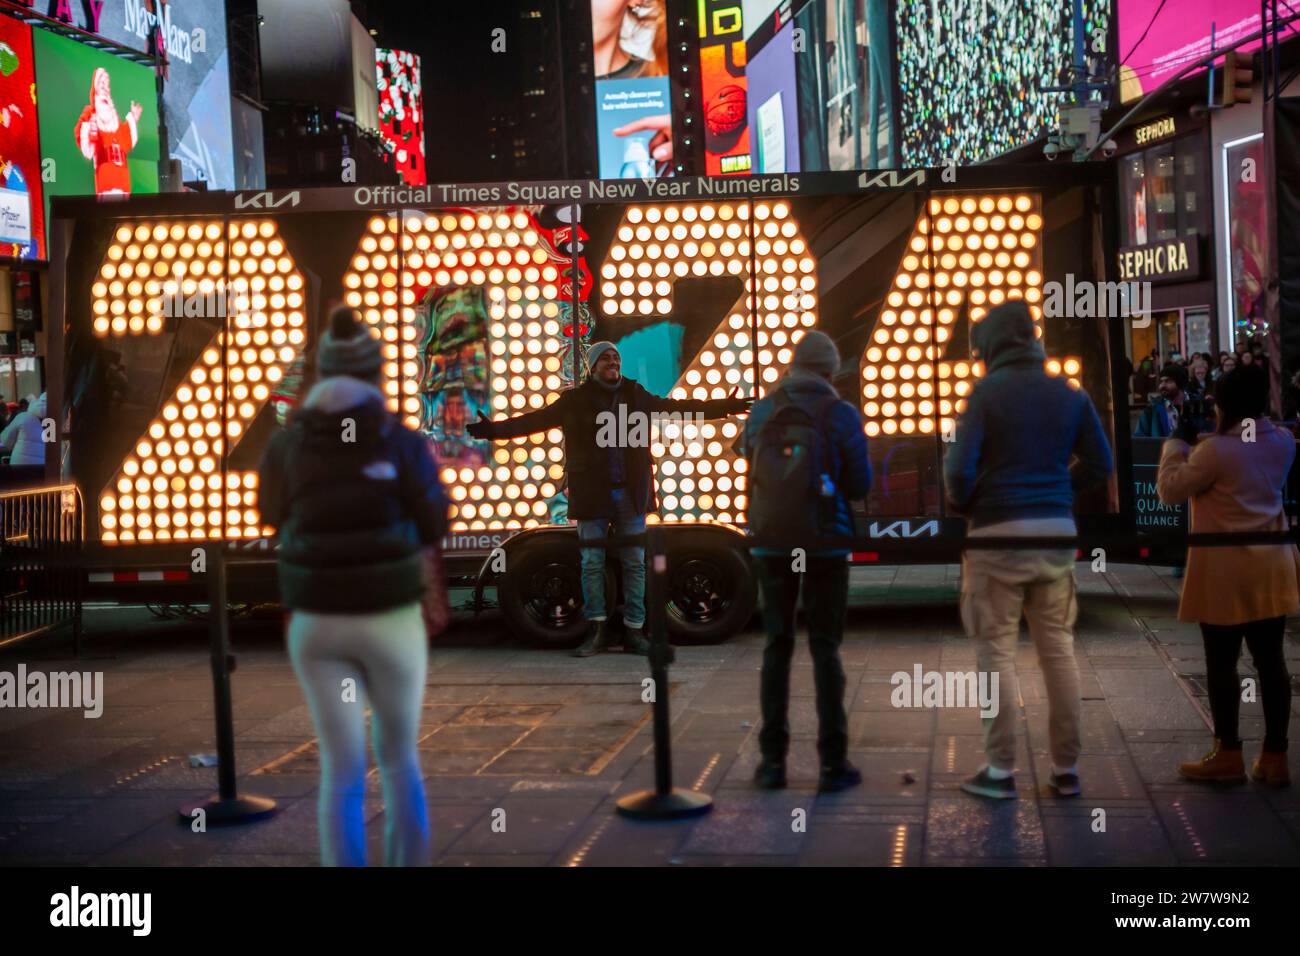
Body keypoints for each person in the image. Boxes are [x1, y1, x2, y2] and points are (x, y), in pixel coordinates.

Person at [257, 306, 449, 866]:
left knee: (340, 770)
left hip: (316, 622)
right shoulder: (399, 441)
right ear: (374, 376)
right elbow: (435, 521)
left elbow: (271, 511)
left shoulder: (288, 444)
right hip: (389, 618)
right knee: (397, 760)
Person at [467, 341, 748, 656]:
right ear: (593, 366)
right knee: (591, 563)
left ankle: (634, 632)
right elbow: (533, 421)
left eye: (615, 357)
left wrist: (723, 407)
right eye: (605, 358)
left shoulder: (635, 394)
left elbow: (678, 410)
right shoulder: (574, 401)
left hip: (631, 493)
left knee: (634, 564)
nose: (613, 361)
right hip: (592, 494)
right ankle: (597, 630)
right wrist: (492, 431)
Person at [943, 301, 1113, 799]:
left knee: (995, 649)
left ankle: (1000, 771)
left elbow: (958, 470)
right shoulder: (1069, 393)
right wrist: (1060, 490)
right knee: (1057, 649)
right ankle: (1066, 770)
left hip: (997, 535)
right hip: (1055, 533)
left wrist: (972, 503)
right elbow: (1100, 463)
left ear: (991, 347)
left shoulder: (985, 394)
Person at [743, 330, 872, 793]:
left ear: (794, 366)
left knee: (776, 647)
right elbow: (860, 484)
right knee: (824, 648)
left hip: (771, 544)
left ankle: (771, 764)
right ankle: (833, 765)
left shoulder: (765, 407)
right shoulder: (840, 413)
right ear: (830, 370)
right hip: (824, 546)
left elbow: (746, 455)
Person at [1156, 364, 1296, 787]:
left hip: (1224, 570)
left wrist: (1176, 445)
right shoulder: (1283, 442)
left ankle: (1228, 752)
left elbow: (1169, 490)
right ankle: (1275, 757)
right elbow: (1252, 443)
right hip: (1270, 565)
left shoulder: (1215, 451)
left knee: (1221, 662)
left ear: (1226, 403)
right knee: (1271, 661)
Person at [1134, 364, 1189, 437]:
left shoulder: (1198, 406)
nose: (1162, 386)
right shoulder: (1151, 410)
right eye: (1161, 381)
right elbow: (1139, 440)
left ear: (1180, 384)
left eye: (1168, 381)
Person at [0, 392, 47, 466]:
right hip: (43, 469)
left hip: (19, 466)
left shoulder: (23, 416)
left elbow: (5, 440)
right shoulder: (54, 423)